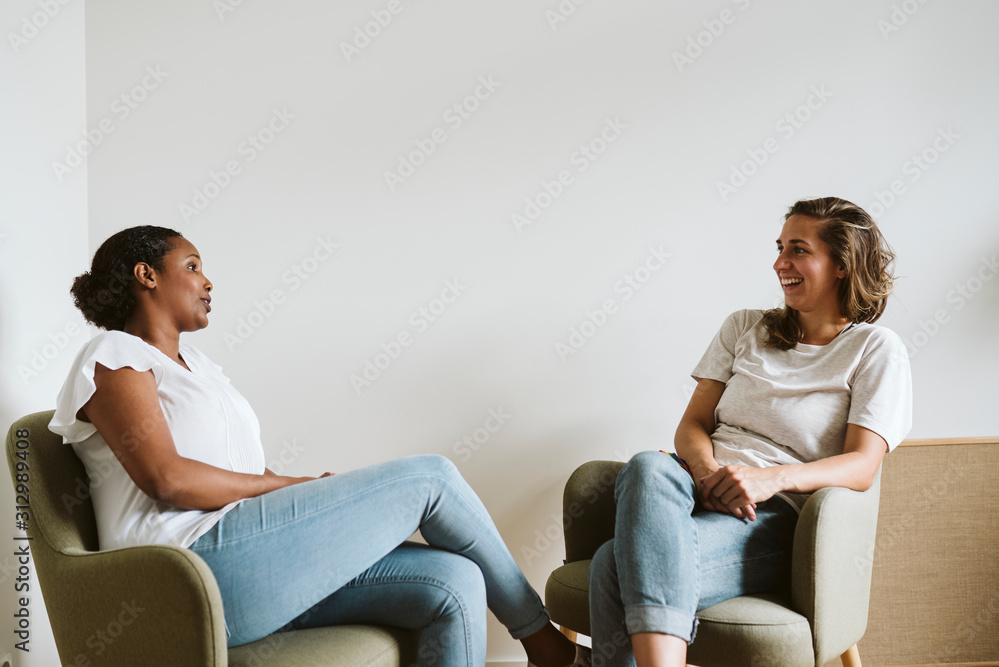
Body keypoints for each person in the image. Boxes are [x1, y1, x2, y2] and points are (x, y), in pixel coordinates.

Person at [49, 226, 577, 667]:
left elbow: (240, 471)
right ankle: (546, 645)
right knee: (432, 478)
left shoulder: (202, 370)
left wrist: (303, 492)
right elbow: (167, 479)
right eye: (192, 266)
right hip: (185, 570)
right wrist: (292, 485)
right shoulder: (114, 353)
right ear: (147, 275)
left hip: (249, 555)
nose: (208, 281)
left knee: (455, 580)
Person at [588, 196, 913, 667]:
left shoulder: (875, 348)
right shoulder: (744, 326)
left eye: (798, 250)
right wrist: (708, 472)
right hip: (696, 484)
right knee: (646, 466)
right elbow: (693, 425)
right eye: (780, 248)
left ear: (842, 265)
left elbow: (862, 465)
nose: (780, 263)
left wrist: (768, 479)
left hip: (768, 514)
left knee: (611, 563)